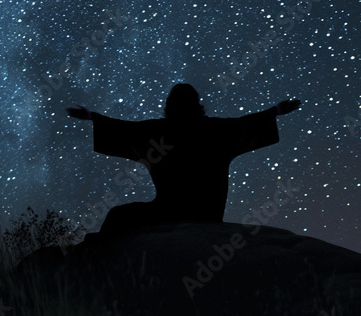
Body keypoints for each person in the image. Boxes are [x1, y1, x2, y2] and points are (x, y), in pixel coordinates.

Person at [66, 83, 300, 234]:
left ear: (170, 105)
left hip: (173, 211)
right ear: (196, 104)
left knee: (118, 217)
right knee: (119, 217)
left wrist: (91, 116)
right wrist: (275, 111)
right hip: (206, 212)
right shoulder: (214, 131)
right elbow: (246, 124)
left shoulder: (160, 132)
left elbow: (125, 130)